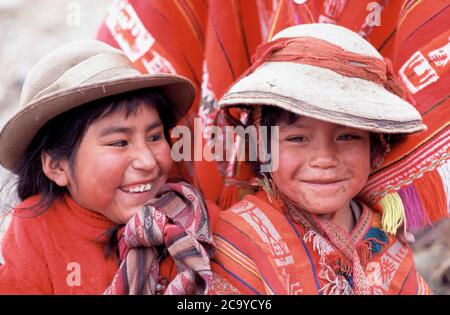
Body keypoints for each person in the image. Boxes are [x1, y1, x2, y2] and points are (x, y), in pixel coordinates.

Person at [210, 23, 432, 295]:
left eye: (347, 137)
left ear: (376, 146)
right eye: (298, 139)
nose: (325, 159)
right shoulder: (240, 237)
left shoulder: (385, 237)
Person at [0, 40, 216, 294]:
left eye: (155, 137)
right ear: (57, 166)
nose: (147, 162)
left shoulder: (191, 214)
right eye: (119, 142)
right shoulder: (32, 234)